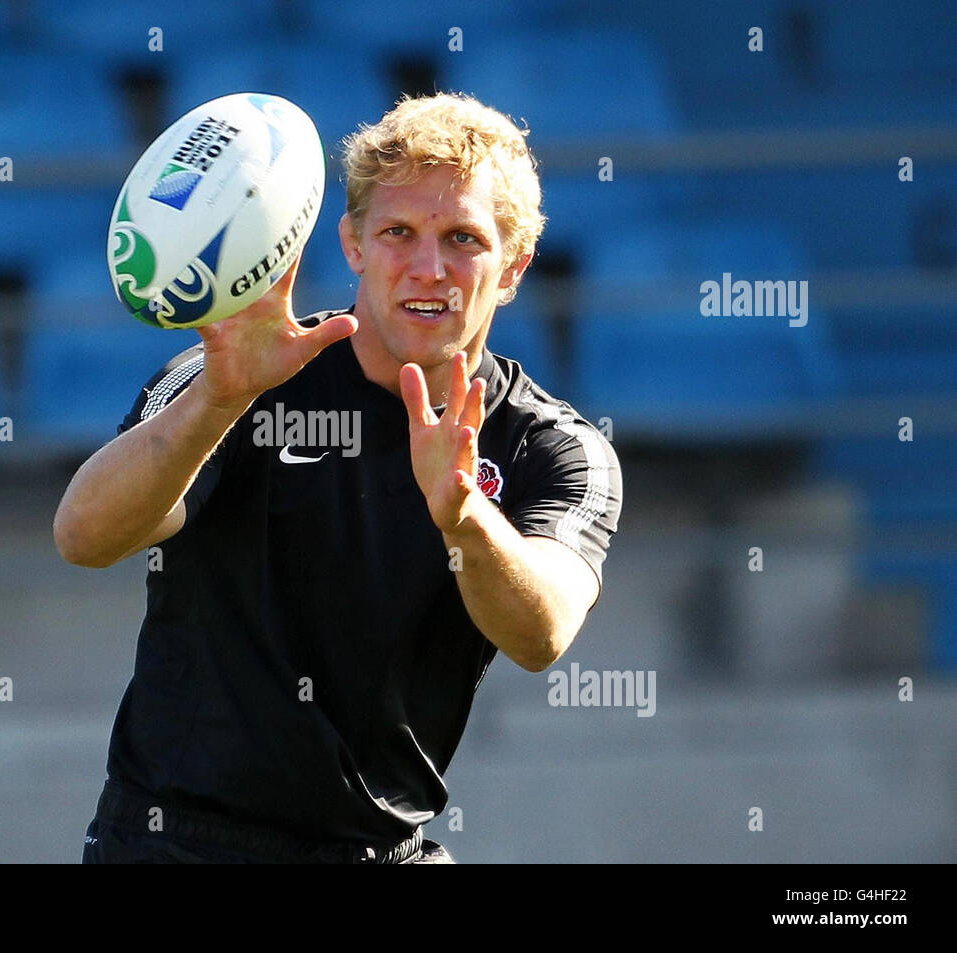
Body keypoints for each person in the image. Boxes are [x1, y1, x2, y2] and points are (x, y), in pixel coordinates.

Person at [56, 92, 622, 863]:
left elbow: (541, 633)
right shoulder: (236, 372)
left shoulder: (552, 445)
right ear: (351, 242)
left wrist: (462, 517)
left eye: (463, 238)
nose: (429, 268)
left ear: (515, 265)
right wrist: (222, 398)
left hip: (376, 850)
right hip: (173, 842)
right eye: (398, 232)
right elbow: (84, 536)